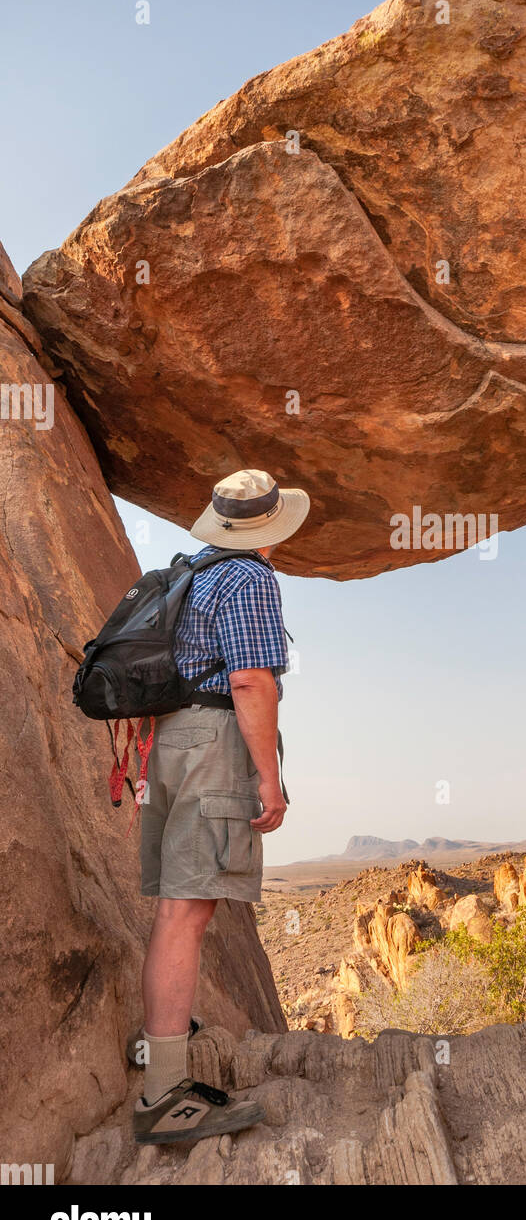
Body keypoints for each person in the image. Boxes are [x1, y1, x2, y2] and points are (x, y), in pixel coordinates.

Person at [131, 468, 309, 1146]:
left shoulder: (191, 571)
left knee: (175, 908)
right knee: (185, 913)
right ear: (270, 530)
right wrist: (268, 776)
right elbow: (249, 679)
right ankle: (163, 1099)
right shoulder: (250, 578)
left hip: (170, 741)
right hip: (213, 744)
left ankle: (162, 1070)